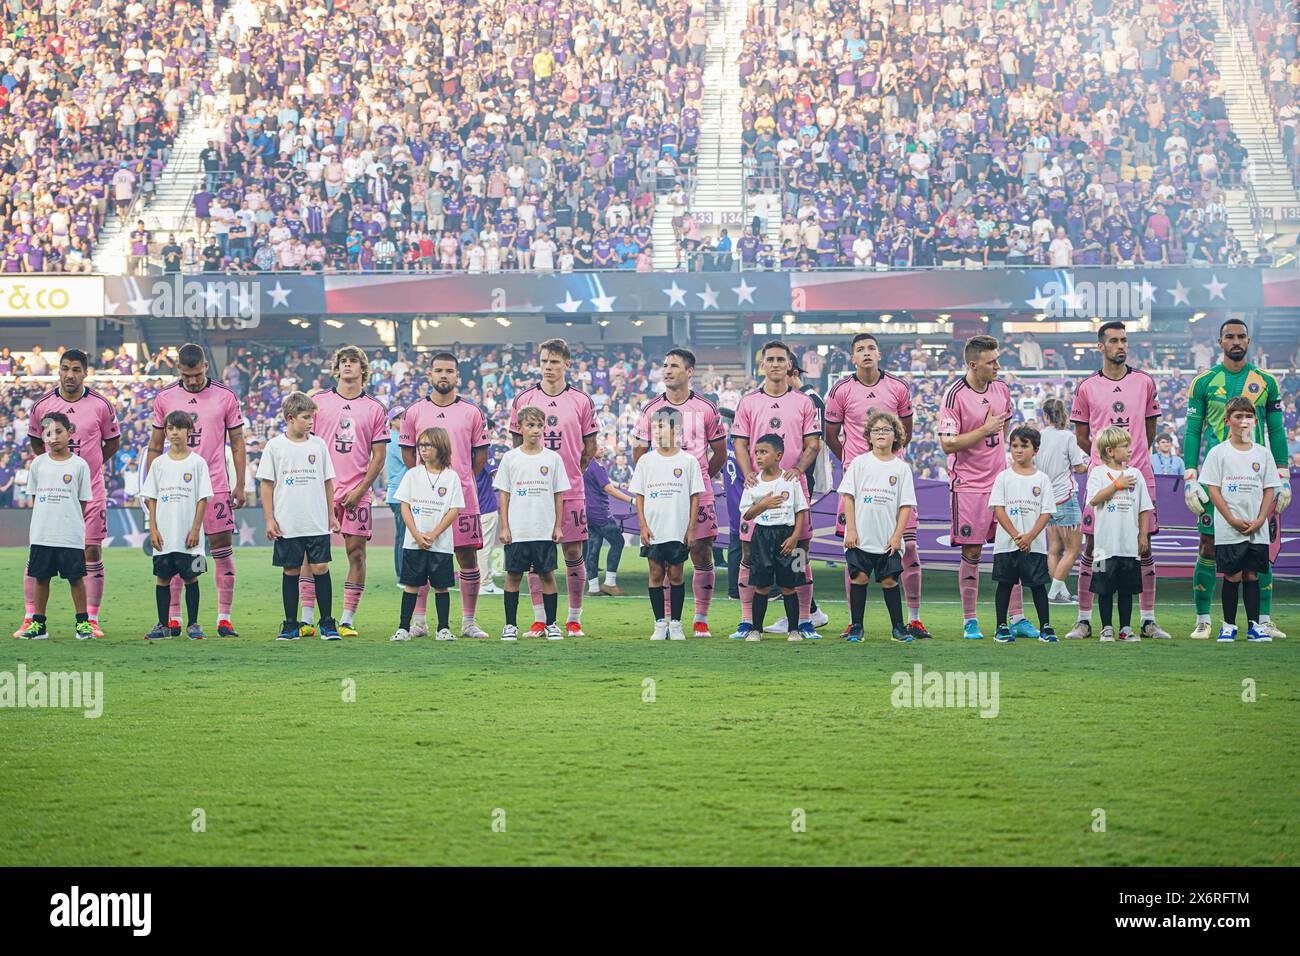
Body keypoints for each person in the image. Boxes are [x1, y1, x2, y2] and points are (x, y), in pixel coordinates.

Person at [1183, 319, 1291, 639]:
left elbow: (1276, 430)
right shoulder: (1203, 382)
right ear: (1220, 342)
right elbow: (1193, 431)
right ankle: (1204, 619)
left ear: (1248, 340)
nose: (1236, 341)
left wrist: (1283, 475)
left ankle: (1263, 620)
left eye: (1241, 336)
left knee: (1259, 547)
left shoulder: (1266, 381)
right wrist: (1190, 476)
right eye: (1229, 336)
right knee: (1208, 545)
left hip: (1254, 477)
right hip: (1215, 478)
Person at [1067, 322, 1170, 640]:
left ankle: (1147, 620)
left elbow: (1150, 430)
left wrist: (1131, 462)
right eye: (1113, 340)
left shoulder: (1144, 382)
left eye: (1124, 340)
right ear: (1101, 346)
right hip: (1102, 478)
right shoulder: (1086, 387)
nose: (1120, 345)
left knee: (1143, 545)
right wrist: (1107, 463)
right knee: (1092, 545)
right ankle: (1085, 620)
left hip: (1139, 475)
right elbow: (1082, 436)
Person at [824, 332, 930, 638]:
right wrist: (853, 462)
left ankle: (913, 619)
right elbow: (831, 434)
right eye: (860, 349)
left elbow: (905, 430)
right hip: (858, 481)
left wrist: (887, 459)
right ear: (853, 357)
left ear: (879, 354)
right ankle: (854, 622)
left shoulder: (897, 387)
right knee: (853, 551)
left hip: (891, 480)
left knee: (909, 548)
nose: (867, 352)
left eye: (871, 348)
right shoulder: (841, 389)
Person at [19, 349, 120, 638]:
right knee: (39, 552)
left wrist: (87, 469)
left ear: (85, 372)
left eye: (76, 369)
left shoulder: (101, 405)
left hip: (91, 489)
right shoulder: (42, 405)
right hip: (54, 492)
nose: (70, 375)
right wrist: (54, 464)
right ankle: (30, 618)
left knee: (91, 551)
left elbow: (112, 443)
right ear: (59, 371)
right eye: (65, 369)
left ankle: (91, 618)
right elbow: (36, 442)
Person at [146, 343, 246, 638]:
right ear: (179, 369)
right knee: (176, 551)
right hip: (175, 488)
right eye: (186, 375)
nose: (191, 381)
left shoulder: (225, 396)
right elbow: (155, 446)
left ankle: (224, 618)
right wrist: (151, 487)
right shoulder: (165, 397)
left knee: (222, 551)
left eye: (197, 374)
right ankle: (175, 618)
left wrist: (240, 483)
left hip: (215, 485)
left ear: (205, 366)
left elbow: (237, 442)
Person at [938, 335, 1031, 640]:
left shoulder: (1002, 389)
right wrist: (984, 429)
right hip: (968, 484)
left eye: (997, 360)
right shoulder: (954, 395)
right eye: (991, 362)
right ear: (973, 364)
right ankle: (970, 620)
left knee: (1013, 548)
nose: (997, 366)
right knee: (973, 551)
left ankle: (1017, 617)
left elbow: (1005, 430)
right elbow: (948, 444)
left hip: (1001, 482)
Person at [730, 340, 822, 640]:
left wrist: (799, 470)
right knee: (749, 552)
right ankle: (747, 621)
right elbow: (739, 443)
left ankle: (804, 620)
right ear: (762, 365)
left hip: (793, 487)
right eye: (770, 359)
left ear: (789, 365)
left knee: (799, 552)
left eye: (781, 359)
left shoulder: (804, 402)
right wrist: (748, 474)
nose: (775, 364)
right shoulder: (748, 402)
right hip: (758, 487)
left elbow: (813, 443)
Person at [632, 348, 726, 634]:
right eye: (665, 365)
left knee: (701, 553)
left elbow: (720, 453)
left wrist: (697, 481)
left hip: (699, 494)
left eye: (673, 365)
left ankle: (701, 618)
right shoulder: (650, 409)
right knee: (660, 559)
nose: (667, 370)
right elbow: (639, 452)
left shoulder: (706, 408)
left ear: (689, 371)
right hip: (662, 495)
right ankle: (666, 622)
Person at [509, 339, 598, 637]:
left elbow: (590, 446)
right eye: (544, 361)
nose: (548, 367)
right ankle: (540, 620)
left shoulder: (581, 400)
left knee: (573, 552)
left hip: (570, 491)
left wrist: (571, 474)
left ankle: (574, 618)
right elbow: (516, 444)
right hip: (532, 491)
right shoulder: (524, 399)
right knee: (535, 556)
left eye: (555, 362)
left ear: (567, 364)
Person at [299, 347, 389, 637]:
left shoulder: (375, 408)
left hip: (357, 492)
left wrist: (361, 489)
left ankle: (347, 619)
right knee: (310, 555)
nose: (348, 365)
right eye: (343, 362)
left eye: (354, 362)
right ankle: (306, 619)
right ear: (336, 369)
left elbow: (379, 456)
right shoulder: (317, 401)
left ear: (363, 369)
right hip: (320, 490)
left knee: (357, 554)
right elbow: (304, 444)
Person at [401, 352, 491, 638]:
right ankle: (419, 623)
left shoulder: (472, 412)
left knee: (467, 558)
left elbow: (480, 456)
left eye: (449, 371)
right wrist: (426, 481)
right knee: (422, 556)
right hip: (425, 502)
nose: (443, 375)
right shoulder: (414, 411)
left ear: (457, 376)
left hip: (463, 499)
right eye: (438, 370)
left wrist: (458, 480)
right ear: (429, 374)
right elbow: (408, 453)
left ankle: (469, 622)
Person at [258, 392, 341, 640]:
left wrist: (332, 515)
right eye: (306, 417)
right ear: (290, 418)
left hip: (316, 520)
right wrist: (269, 519)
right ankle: (290, 625)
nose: (310, 422)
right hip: (288, 522)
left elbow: (327, 482)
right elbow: (266, 485)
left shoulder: (319, 445)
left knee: (321, 567)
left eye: (312, 417)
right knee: (291, 571)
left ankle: (327, 623)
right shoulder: (275, 446)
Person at [1200, 397, 1282, 643]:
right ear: (1228, 421)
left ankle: (1254, 626)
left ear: (1255, 421)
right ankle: (1228, 626)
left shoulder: (1263, 454)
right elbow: (1213, 490)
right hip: (1229, 528)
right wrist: (1231, 519)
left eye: (1248, 416)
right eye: (1238, 416)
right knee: (1232, 575)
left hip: (1257, 528)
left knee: (1252, 575)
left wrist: (1260, 519)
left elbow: (1269, 489)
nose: (1244, 421)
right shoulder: (1218, 453)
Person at [838, 411, 916, 644]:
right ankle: (857, 627)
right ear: (869, 436)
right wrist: (851, 530)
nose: (881, 434)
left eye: (886, 430)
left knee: (890, 581)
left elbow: (905, 506)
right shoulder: (859, 463)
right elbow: (848, 497)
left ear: (896, 436)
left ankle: (898, 628)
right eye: (876, 430)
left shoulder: (901, 468)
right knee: (859, 578)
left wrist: (897, 536)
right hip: (861, 538)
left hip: (887, 539)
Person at [494, 405, 570, 641]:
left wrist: (557, 526)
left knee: (547, 576)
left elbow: (559, 494)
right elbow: (504, 495)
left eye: (539, 425)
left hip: (543, 529)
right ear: (520, 428)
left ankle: (551, 624)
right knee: (513, 576)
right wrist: (504, 526)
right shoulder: (510, 458)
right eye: (530, 425)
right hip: (518, 530)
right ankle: (510, 625)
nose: (536, 430)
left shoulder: (553, 458)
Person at [16, 412, 93, 640]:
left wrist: (69, 520)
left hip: (70, 534)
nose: (54, 437)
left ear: (70, 432)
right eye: (48, 433)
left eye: (58, 431)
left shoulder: (79, 465)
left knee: (75, 578)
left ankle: (83, 624)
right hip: (42, 533)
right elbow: (34, 499)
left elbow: (82, 501)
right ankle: (39, 625)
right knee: (41, 578)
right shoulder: (38, 464)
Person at [629, 409, 705, 639]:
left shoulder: (688, 461)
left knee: (676, 574)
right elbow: (639, 495)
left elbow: (695, 496)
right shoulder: (646, 461)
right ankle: (660, 624)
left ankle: (676, 624)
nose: (657, 431)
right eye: (655, 427)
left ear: (677, 429)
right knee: (655, 573)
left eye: (662, 426)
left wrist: (691, 528)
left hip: (677, 528)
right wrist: (642, 525)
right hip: (654, 528)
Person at [141, 411, 212, 641]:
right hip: (164, 535)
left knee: (192, 578)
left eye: (179, 428)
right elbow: (151, 498)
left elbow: (203, 498)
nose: (174, 433)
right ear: (165, 432)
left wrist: (195, 529)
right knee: (162, 578)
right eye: (170, 428)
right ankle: (163, 625)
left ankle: (193, 624)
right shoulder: (159, 463)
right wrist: (153, 529)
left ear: (189, 431)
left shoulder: (198, 462)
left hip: (190, 536)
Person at [392, 427, 465, 642]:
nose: (423, 449)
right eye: (421, 445)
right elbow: (404, 506)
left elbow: (454, 509)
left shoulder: (451, 477)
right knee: (411, 585)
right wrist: (416, 534)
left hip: (440, 544)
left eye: (428, 445)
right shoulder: (412, 474)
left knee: (442, 587)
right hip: (413, 543)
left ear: (440, 447)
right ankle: (403, 628)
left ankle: (443, 629)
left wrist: (434, 534)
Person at [734, 434, 810, 642]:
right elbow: (747, 514)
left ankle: (793, 630)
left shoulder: (790, 480)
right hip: (762, 536)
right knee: (762, 586)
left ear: (778, 456)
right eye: (756, 452)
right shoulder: (753, 483)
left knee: (789, 586)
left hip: (787, 536)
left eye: (764, 452)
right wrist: (763, 505)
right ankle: (756, 630)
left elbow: (801, 510)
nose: (758, 457)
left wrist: (795, 537)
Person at [988, 425, 1058, 644]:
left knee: (1038, 585)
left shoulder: (1042, 479)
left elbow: (1046, 512)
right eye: (1015, 445)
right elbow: (999, 509)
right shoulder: (1003, 477)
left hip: (1034, 545)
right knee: (1005, 584)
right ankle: (1001, 627)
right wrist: (1017, 535)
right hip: (1007, 544)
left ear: (1035, 450)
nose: (1018, 450)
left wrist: (1029, 537)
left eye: (1024, 446)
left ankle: (1045, 627)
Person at [1085, 426, 1155, 643]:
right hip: (1104, 546)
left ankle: (1125, 628)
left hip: (1129, 546)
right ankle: (1106, 628)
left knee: (1127, 590)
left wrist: (1142, 536)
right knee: (1104, 589)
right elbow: (1093, 499)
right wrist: (1117, 484)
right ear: (1110, 451)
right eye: (1125, 446)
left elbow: (1144, 508)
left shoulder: (1136, 474)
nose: (1129, 450)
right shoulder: (1097, 473)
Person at [1039, 398, 1088, 604]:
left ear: (1046, 415)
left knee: (1054, 549)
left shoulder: (1040, 436)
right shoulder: (1068, 436)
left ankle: (1061, 592)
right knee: (1073, 549)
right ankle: (1053, 594)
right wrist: (1089, 462)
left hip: (1046, 500)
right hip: (1065, 497)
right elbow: (1079, 467)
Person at [585, 445, 634, 598]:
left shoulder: (586, 465)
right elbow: (609, 489)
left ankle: (593, 588)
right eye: (597, 446)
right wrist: (632, 500)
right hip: (599, 511)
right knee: (618, 541)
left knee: (593, 547)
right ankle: (610, 584)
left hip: (587, 512)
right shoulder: (596, 467)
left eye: (601, 446)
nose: (601, 448)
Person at [383, 407, 407, 581]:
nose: (403, 420)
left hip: (398, 492)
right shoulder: (394, 439)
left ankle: (404, 573)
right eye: (400, 417)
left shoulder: (394, 437)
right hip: (399, 493)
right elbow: (410, 459)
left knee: (403, 535)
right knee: (403, 536)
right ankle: (402, 575)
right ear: (392, 421)